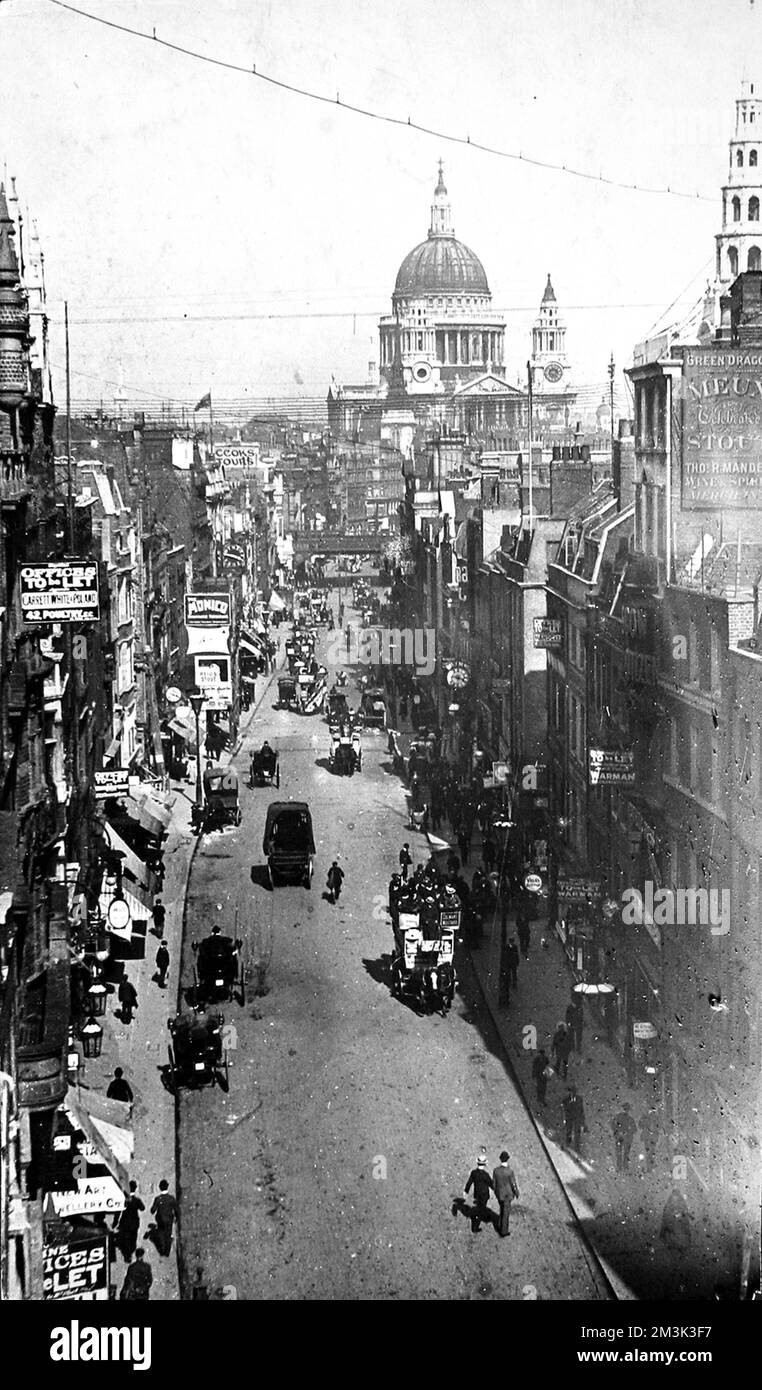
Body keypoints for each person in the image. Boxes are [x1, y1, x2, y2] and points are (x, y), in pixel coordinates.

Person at [463, 1155, 495, 1233]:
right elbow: (491, 1185)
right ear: (485, 1164)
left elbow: (469, 1183)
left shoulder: (474, 1173)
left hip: (477, 1194)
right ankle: (475, 1226)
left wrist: (466, 1191)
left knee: (478, 1208)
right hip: (484, 1195)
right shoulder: (486, 1175)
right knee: (482, 1209)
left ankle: (475, 1222)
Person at [114, 1181, 145, 1262]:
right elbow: (142, 1208)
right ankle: (130, 1252)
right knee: (133, 1238)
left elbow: (118, 1212)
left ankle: (127, 1254)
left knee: (126, 1238)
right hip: (134, 1223)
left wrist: (115, 1222)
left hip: (125, 1223)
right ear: (135, 1189)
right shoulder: (136, 1200)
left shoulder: (123, 1200)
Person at [492, 1151, 520, 1237]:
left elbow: (494, 1184)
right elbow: (513, 1184)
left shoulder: (496, 1171)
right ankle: (504, 1231)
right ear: (507, 1159)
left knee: (502, 1209)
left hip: (500, 1194)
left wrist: (496, 1192)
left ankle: (500, 1225)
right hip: (508, 1195)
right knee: (506, 1212)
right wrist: (516, 1192)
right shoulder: (510, 1171)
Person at [150, 1180, 179, 1257]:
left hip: (160, 1220)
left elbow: (153, 1210)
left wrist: (153, 1209)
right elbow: (176, 1209)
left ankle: (162, 1249)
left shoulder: (158, 1199)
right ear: (167, 1187)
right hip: (169, 1220)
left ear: (160, 1188)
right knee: (168, 1235)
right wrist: (177, 1217)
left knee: (161, 1234)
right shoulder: (171, 1198)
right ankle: (167, 1252)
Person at [612, 1102, 638, 1173]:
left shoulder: (618, 1117)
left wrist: (619, 1132)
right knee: (623, 1153)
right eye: (626, 1109)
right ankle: (623, 1167)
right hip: (624, 1138)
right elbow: (634, 1129)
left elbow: (613, 1126)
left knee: (621, 1153)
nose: (626, 1110)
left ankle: (621, 1167)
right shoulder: (629, 1119)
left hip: (622, 1138)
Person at [562, 1086, 587, 1150]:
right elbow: (564, 1110)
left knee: (577, 1133)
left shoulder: (579, 1099)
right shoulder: (565, 1100)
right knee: (568, 1131)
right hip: (569, 1118)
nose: (573, 1093)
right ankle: (567, 1144)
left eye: (574, 1092)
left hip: (577, 1118)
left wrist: (583, 1121)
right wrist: (564, 1119)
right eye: (572, 1092)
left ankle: (577, 1147)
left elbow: (581, 1110)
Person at [640, 1105, 661, 1172]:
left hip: (650, 1137)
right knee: (650, 1151)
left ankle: (649, 1165)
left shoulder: (654, 1118)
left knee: (650, 1151)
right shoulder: (652, 1118)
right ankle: (649, 1165)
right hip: (649, 1137)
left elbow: (659, 1126)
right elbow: (640, 1125)